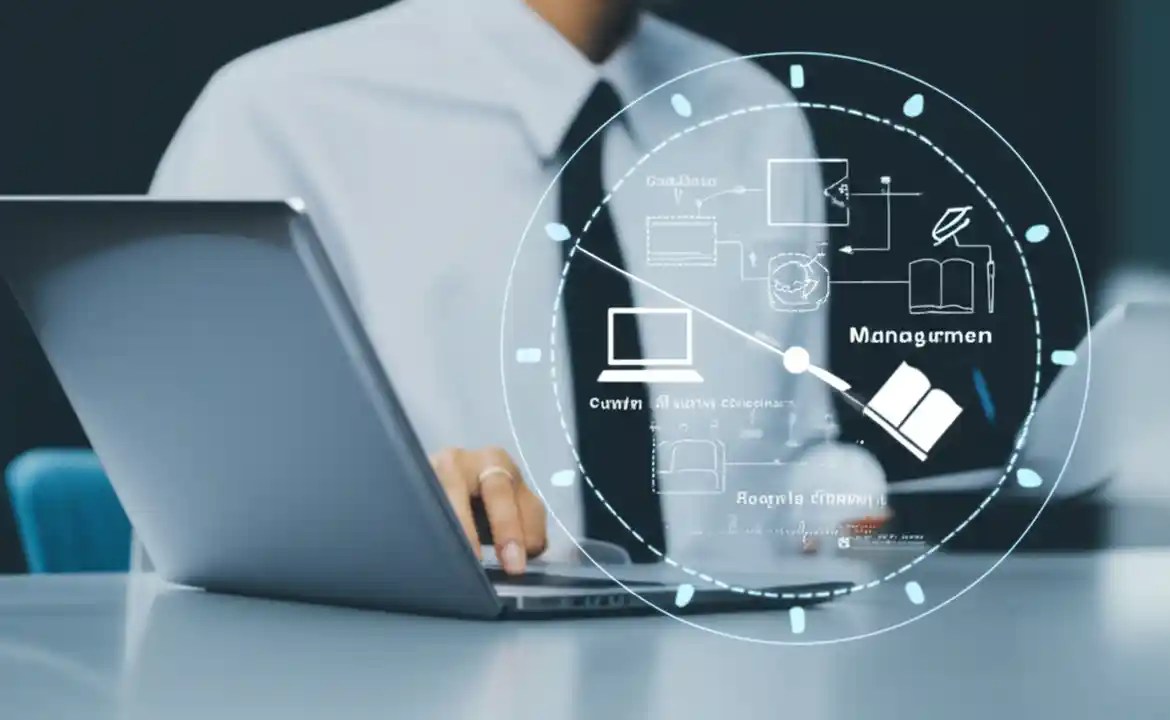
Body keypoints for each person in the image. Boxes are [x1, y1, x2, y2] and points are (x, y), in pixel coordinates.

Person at [151, 0, 887, 576]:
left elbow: (784, 458)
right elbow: (201, 524)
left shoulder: (753, 121)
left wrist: (843, 495)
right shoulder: (277, 119)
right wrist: (381, 512)